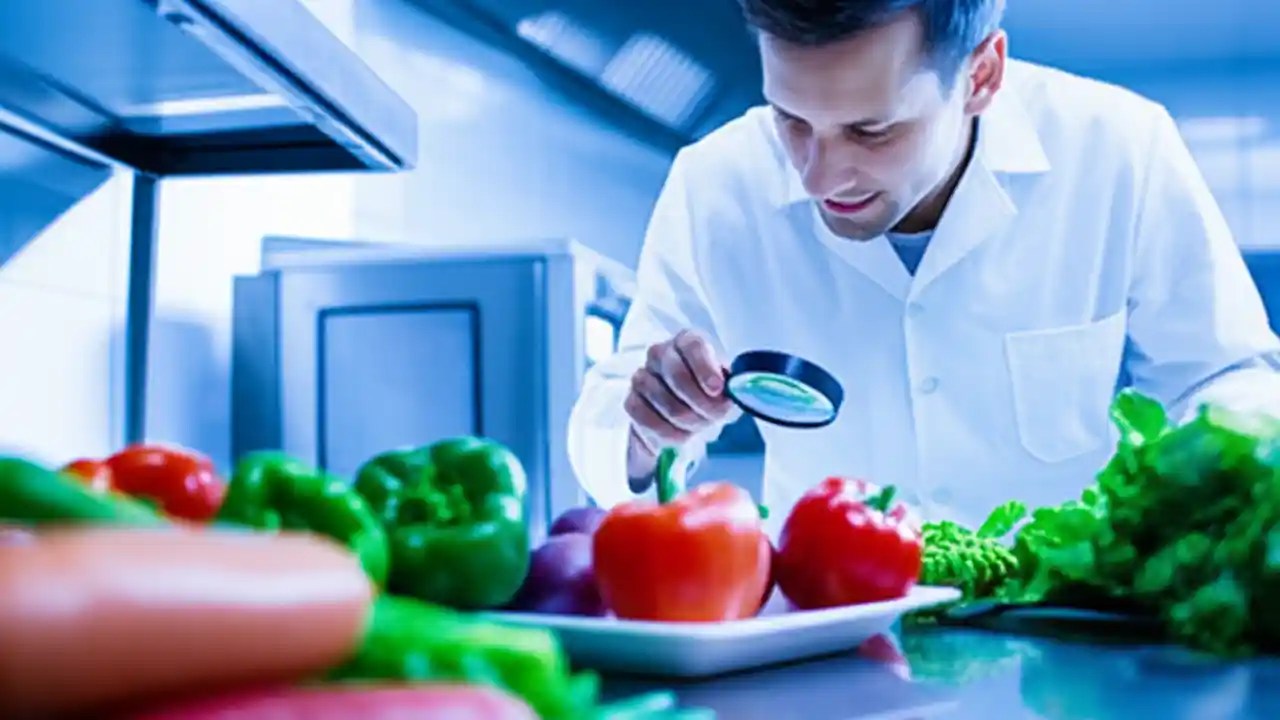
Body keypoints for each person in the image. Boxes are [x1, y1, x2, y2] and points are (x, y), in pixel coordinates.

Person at [565, 0, 1280, 532]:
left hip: (1070, 628)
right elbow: (608, 433)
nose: (817, 177)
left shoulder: (1120, 149)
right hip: (825, 633)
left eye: (871, 130)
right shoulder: (713, 184)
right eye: (789, 118)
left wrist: (1197, 504)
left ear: (981, 75)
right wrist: (649, 425)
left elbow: (1226, 378)